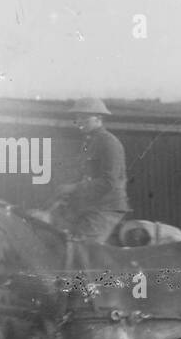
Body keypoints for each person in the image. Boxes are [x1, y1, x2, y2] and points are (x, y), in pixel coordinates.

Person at [52, 97, 129, 242]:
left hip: (106, 208)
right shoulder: (89, 142)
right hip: (91, 207)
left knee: (81, 250)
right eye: (77, 117)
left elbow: (108, 182)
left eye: (84, 117)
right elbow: (85, 176)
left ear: (99, 118)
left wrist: (73, 188)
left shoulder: (108, 142)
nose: (79, 121)